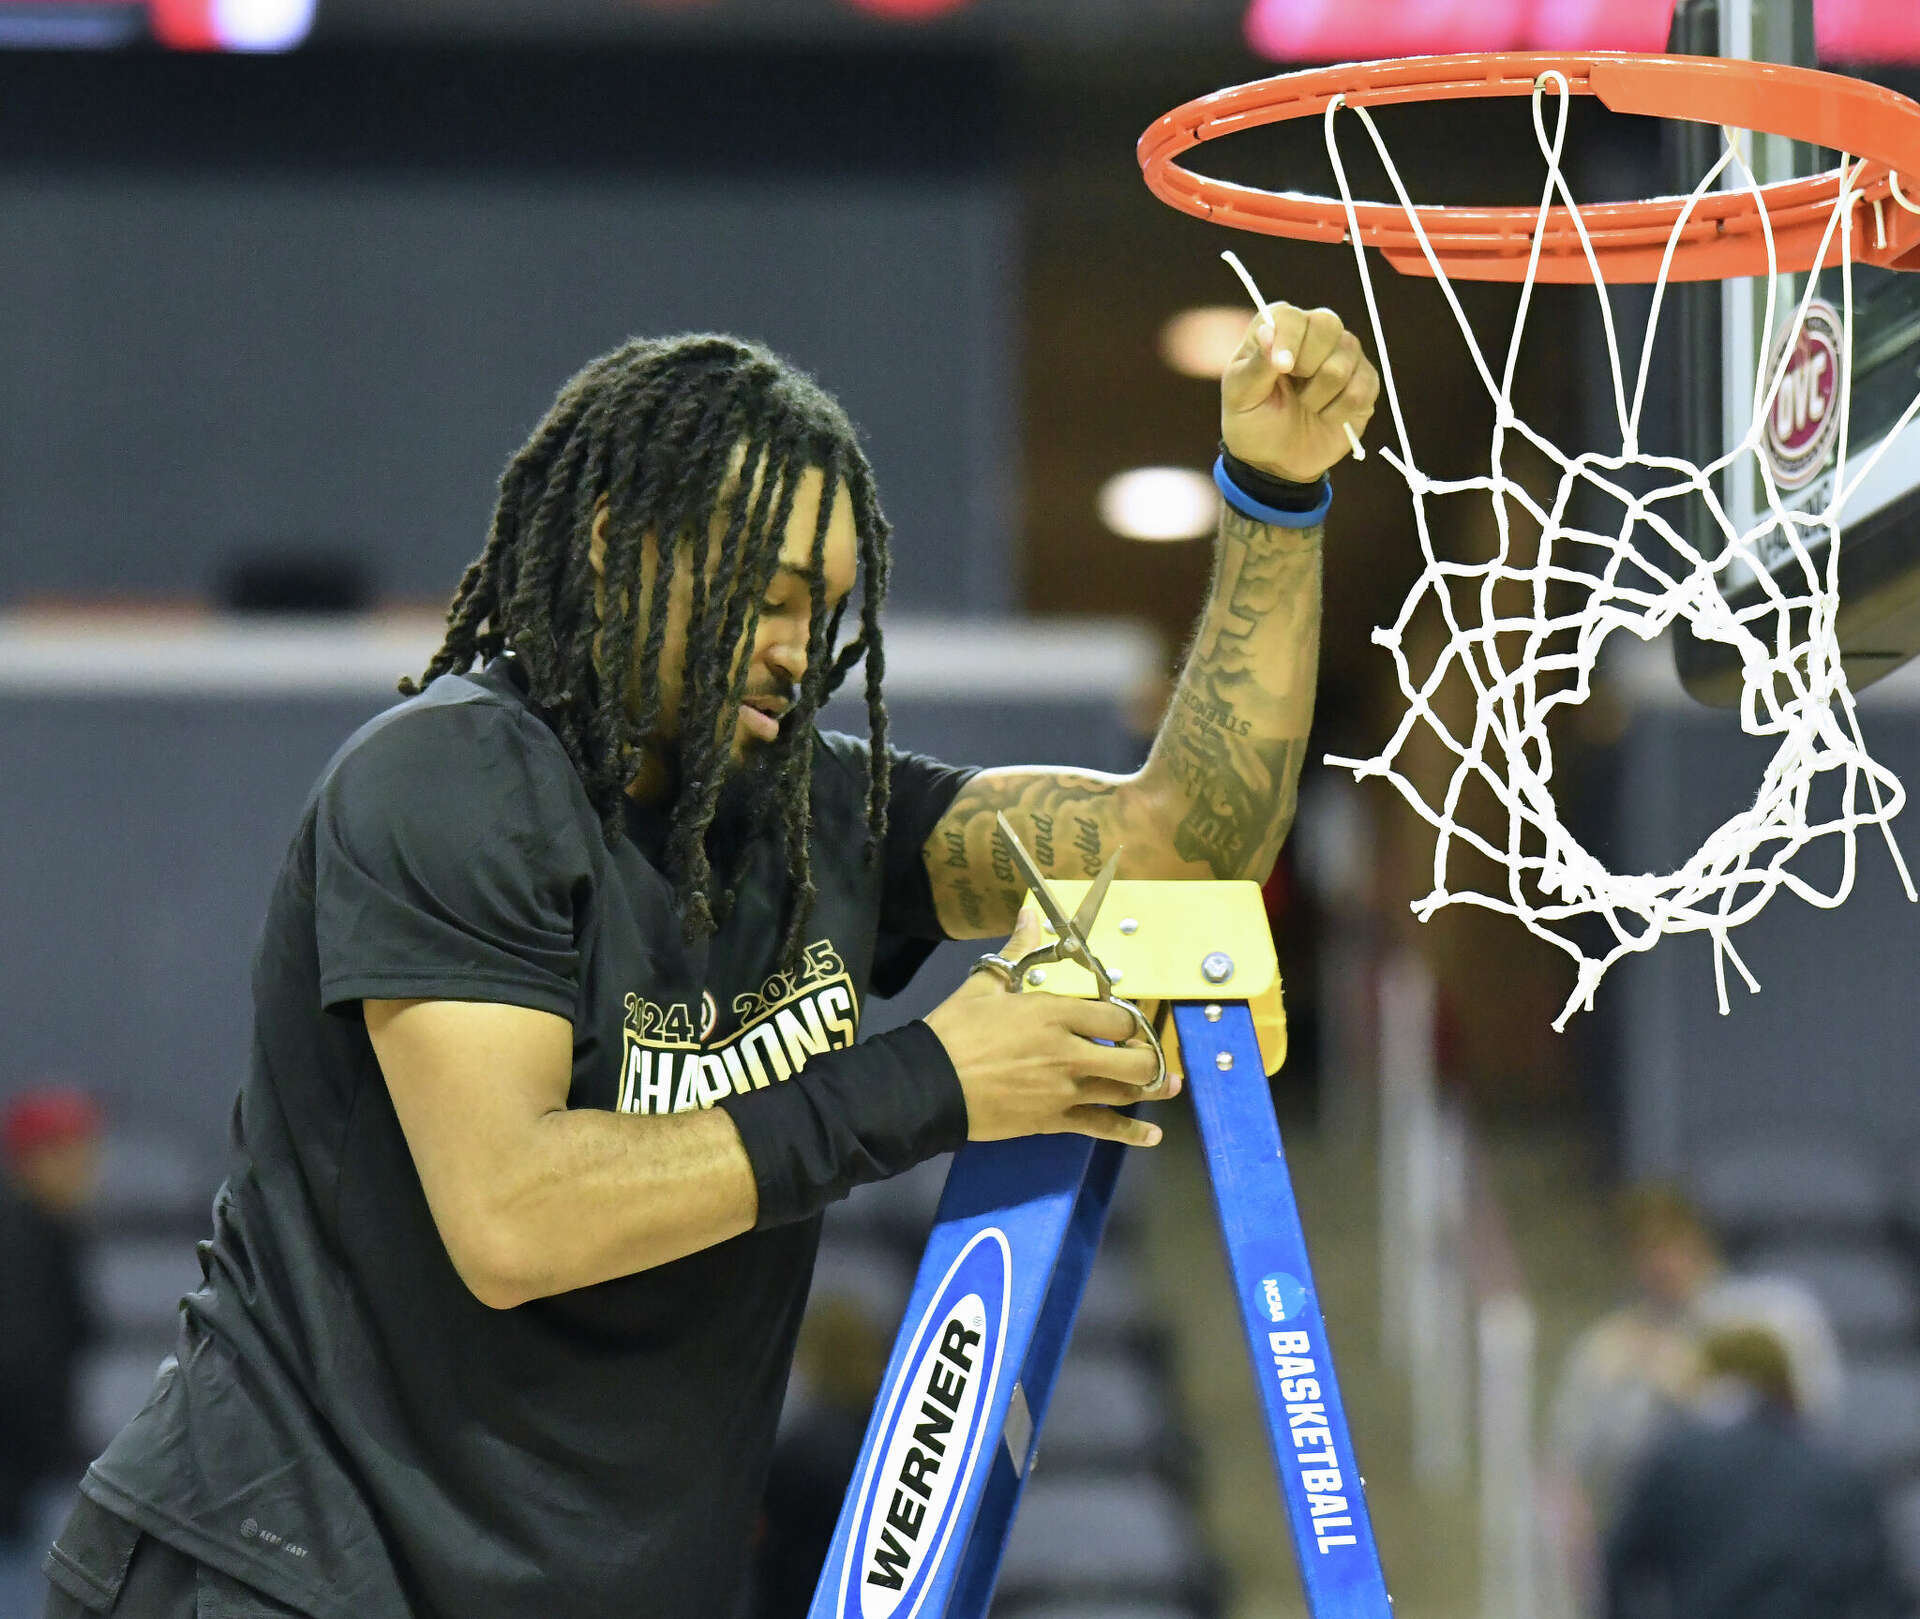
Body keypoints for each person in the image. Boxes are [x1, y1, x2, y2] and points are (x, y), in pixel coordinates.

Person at [43, 313, 1377, 1619]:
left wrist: (1273, 495)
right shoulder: (450, 779)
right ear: (623, 547)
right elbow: (518, 1213)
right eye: (771, 591)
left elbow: (1179, 840)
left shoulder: (817, 827)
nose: (804, 645)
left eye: (830, 605)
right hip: (277, 1567)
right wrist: (930, 1077)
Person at [1550, 1184, 1844, 1537]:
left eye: (1672, 1242)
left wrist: (1690, 1381)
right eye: (1644, 1248)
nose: (1661, 1262)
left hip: (1766, 1524)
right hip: (1669, 1537)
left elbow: (1815, 1410)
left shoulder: (1776, 1314)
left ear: (1701, 1240)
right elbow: (1567, 1463)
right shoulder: (1606, 1348)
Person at [1606, 1324, 1909, 1619]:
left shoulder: (1674, 1458)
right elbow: (1883, 1592)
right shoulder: (1842, 1470)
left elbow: (1619, 1566)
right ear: (1788, 1385)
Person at [0, 1088, 101, 1614]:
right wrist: (55, 1452)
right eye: (68, 1150)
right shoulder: (20, 1243)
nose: (87, 1165)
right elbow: (21, 1367)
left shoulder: (52, 1234)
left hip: (30, 1482)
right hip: (15, 1490)